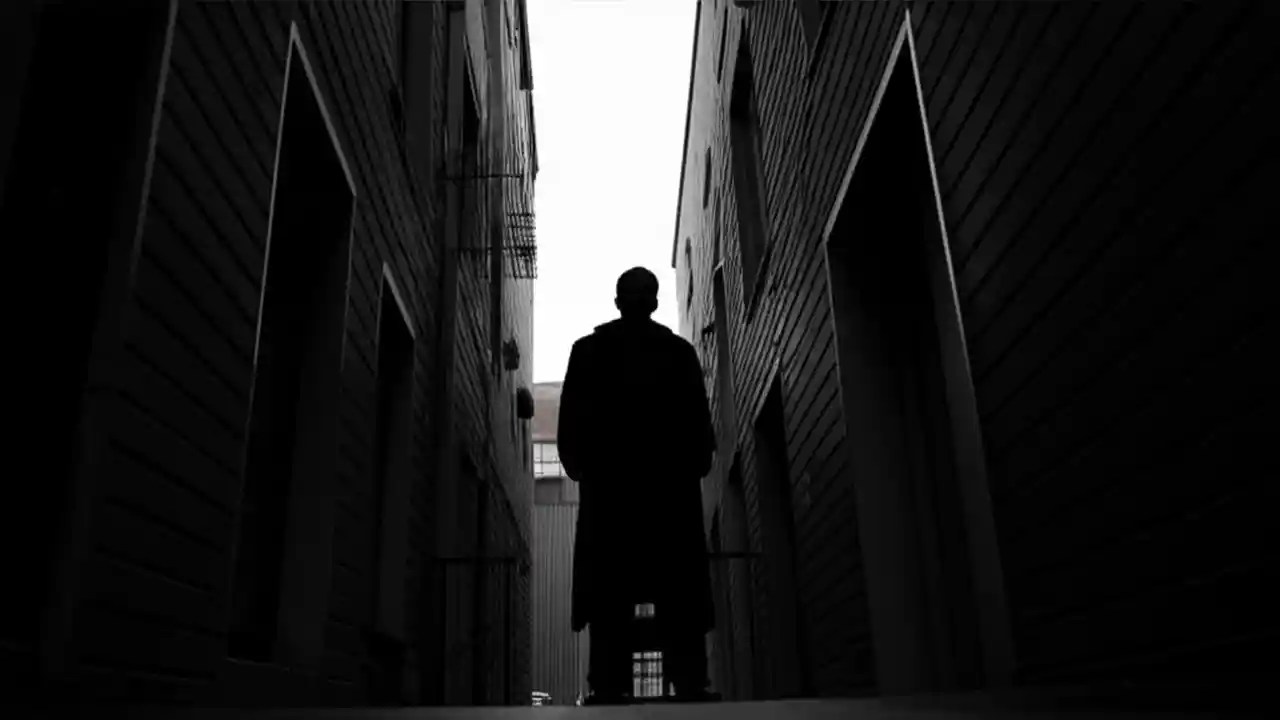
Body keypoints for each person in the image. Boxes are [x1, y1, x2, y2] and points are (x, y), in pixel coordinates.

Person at [557, 267, 718, 705]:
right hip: (669, 497)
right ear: (655, 302)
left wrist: (586, 468)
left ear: (618, 302)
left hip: (610, 498)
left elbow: (569, 430)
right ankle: (688, 680)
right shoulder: (679, 354)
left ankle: (608, 684)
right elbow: (702, 433)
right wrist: (689, 467)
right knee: (677, 588)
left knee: (609, 590)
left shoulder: (588, 353)